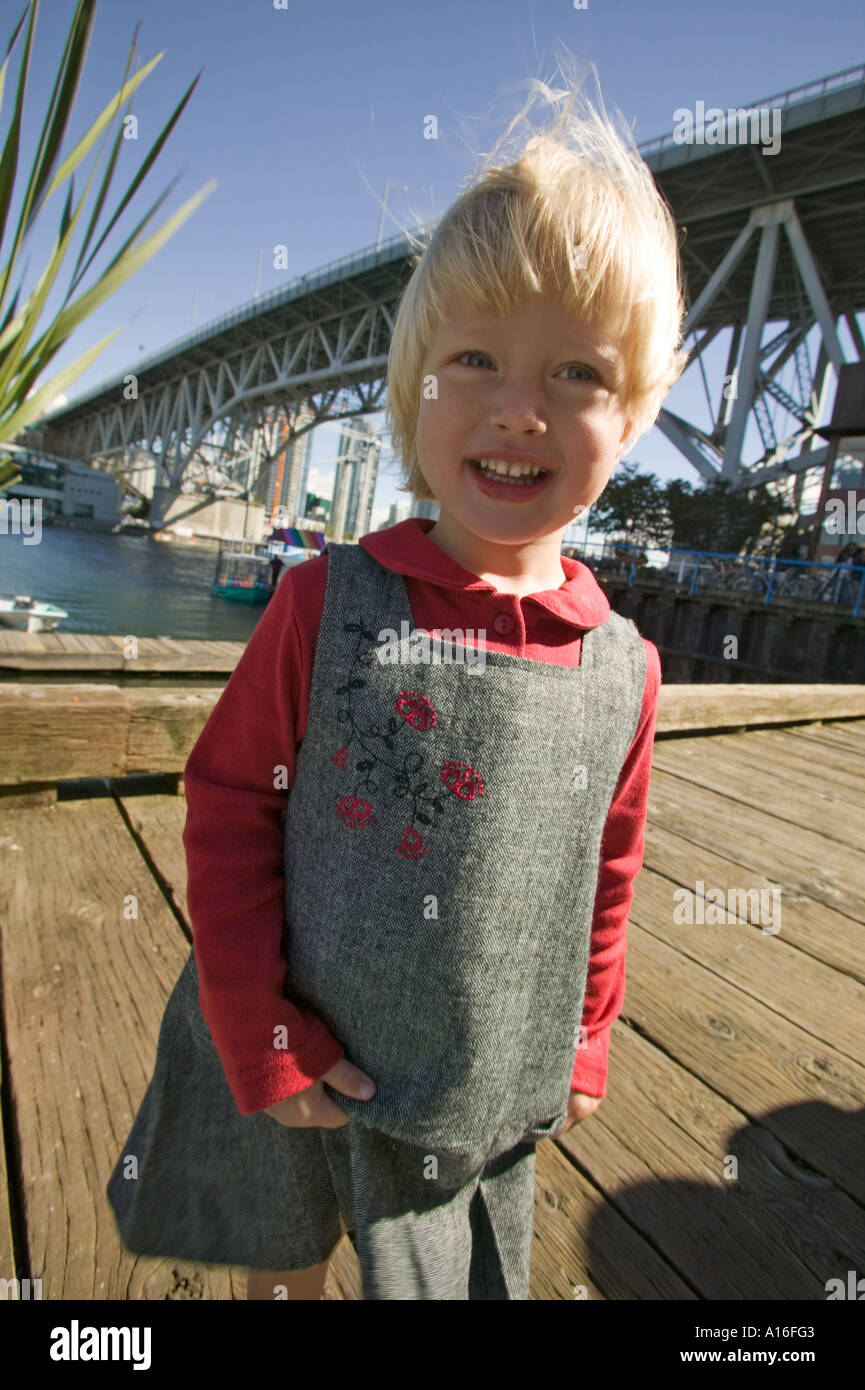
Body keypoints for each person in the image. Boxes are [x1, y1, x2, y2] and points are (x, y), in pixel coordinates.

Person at [106, 60, 688, 1301]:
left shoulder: (624, 669)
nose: (520, 408)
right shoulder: (325, 604)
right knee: (275, 1258)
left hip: (469, 1084)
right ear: (409, 389)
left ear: (632, 416)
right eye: (473, 358)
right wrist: (262, 1029)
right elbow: (228, 804)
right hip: (289, 1041)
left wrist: (583, 1040)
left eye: (576, 373)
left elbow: (608, 872)